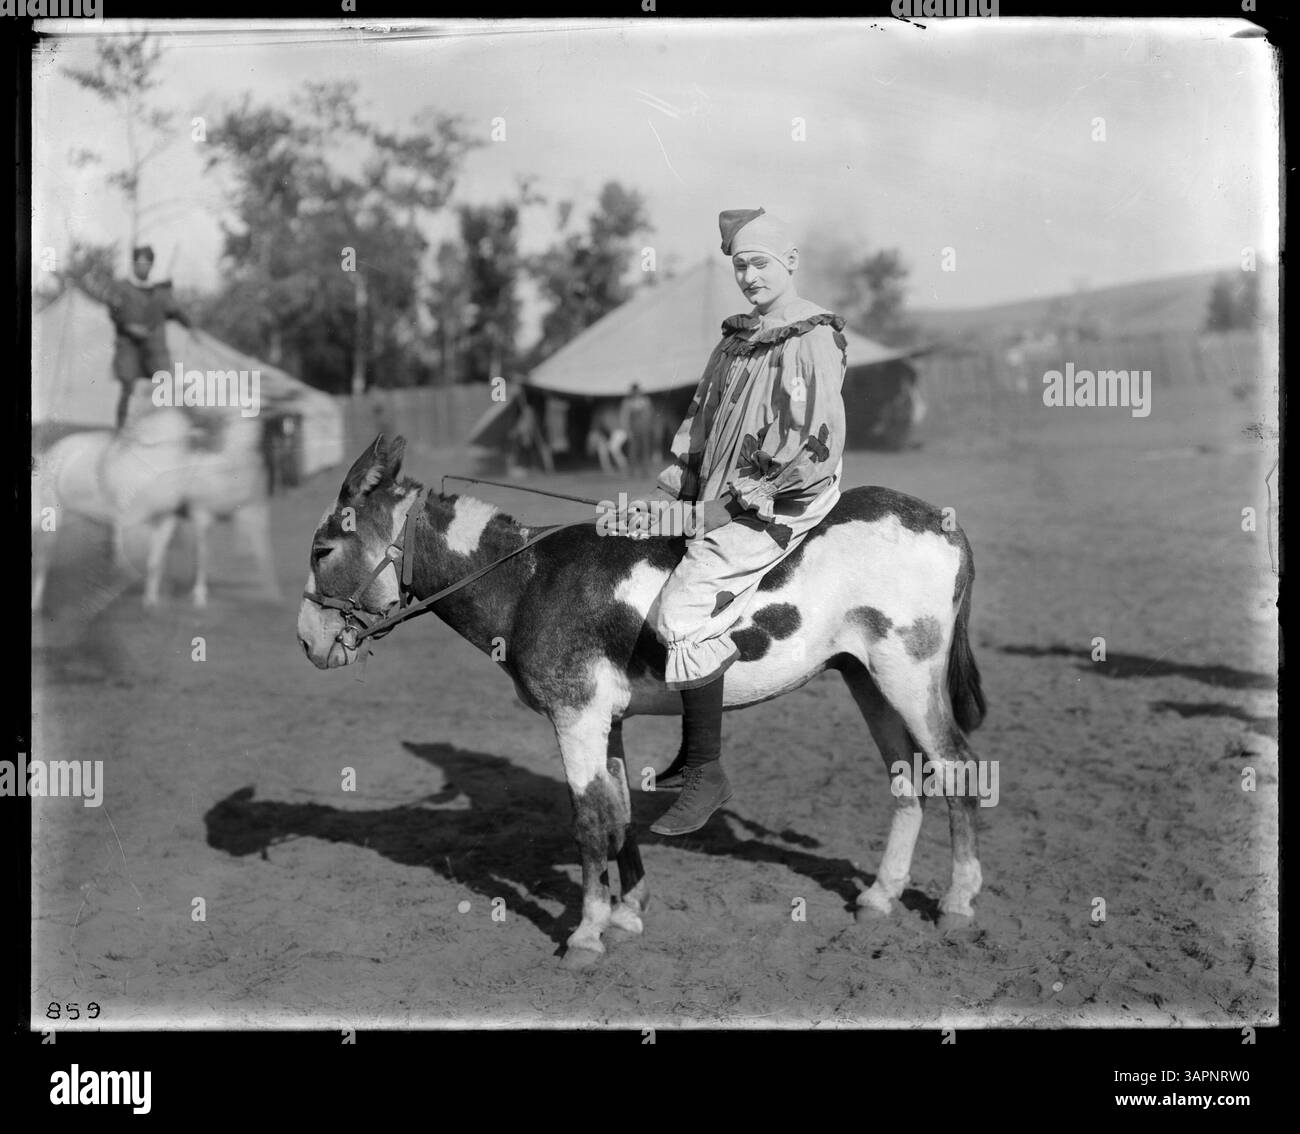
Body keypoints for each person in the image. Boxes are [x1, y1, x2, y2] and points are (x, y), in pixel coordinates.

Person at [633, 208, 849, 836]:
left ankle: (707, 770)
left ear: (789, 262)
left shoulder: (810, 338)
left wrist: (730, 505)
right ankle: (689, 745)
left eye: (760, 263)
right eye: (739, 266)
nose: (749, 276)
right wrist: (681, 488)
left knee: (682, 609)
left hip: (785, 495)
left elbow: (816, 443)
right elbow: (699, 421)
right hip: (724, 490)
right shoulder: (734, 340)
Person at [82, 245, 196, 430]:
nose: (143, 267)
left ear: (152, 266)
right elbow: (115, 311)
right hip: (128, 344)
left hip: (152, 346)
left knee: (164, 383)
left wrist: (191, 326)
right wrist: (129, 326)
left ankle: (161, 428)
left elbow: (175, 312)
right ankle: (121, 429)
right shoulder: (121, 288)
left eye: (147, 263)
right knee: (128, 385)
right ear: (134, 264)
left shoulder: (158, 293)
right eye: (140, 263)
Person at [619, 382, 656, 477]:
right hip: (634, 429)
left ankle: (645, 472)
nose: (636, 392)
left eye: (637, 390)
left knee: (645, 450)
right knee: (633, 451)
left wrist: (650, 426)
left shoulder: (645, 400)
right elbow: (624, 417)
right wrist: (627, 430)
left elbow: (650, 414)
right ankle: (631, 472)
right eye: (634, 391)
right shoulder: (628, 402)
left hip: (645, 429)